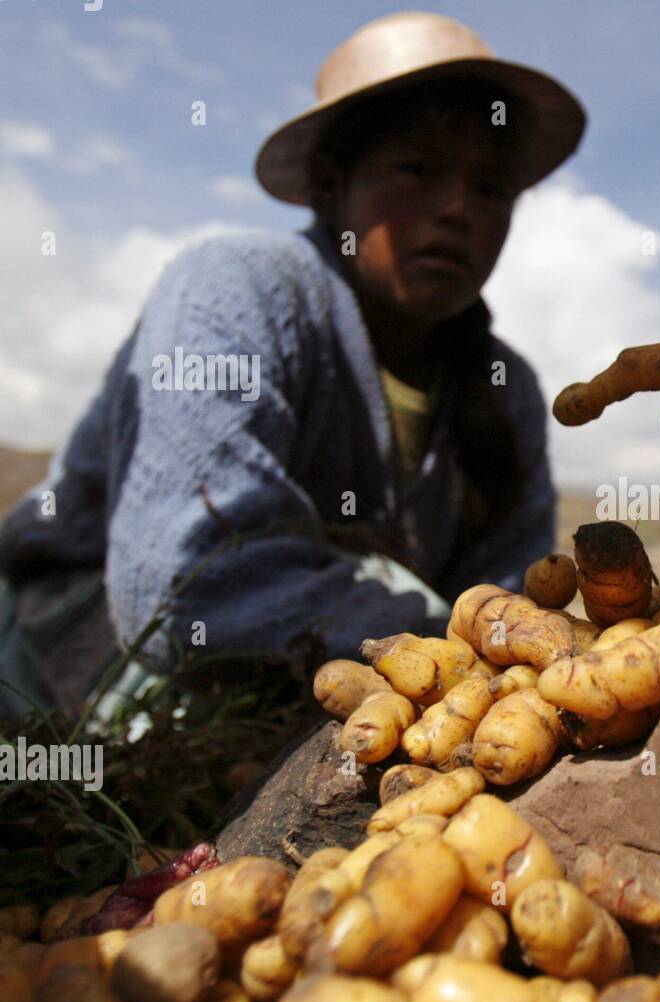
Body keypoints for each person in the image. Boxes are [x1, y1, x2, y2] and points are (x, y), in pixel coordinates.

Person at [0, 12, 585, 715]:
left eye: (490, 188)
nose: (458, 209)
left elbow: (506, 602)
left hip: (339, 686)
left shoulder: (506, 392)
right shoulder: (239, 286)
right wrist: (447, 650)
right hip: (73, 662)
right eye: (416, 169)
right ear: (332, 186)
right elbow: (187, 584)